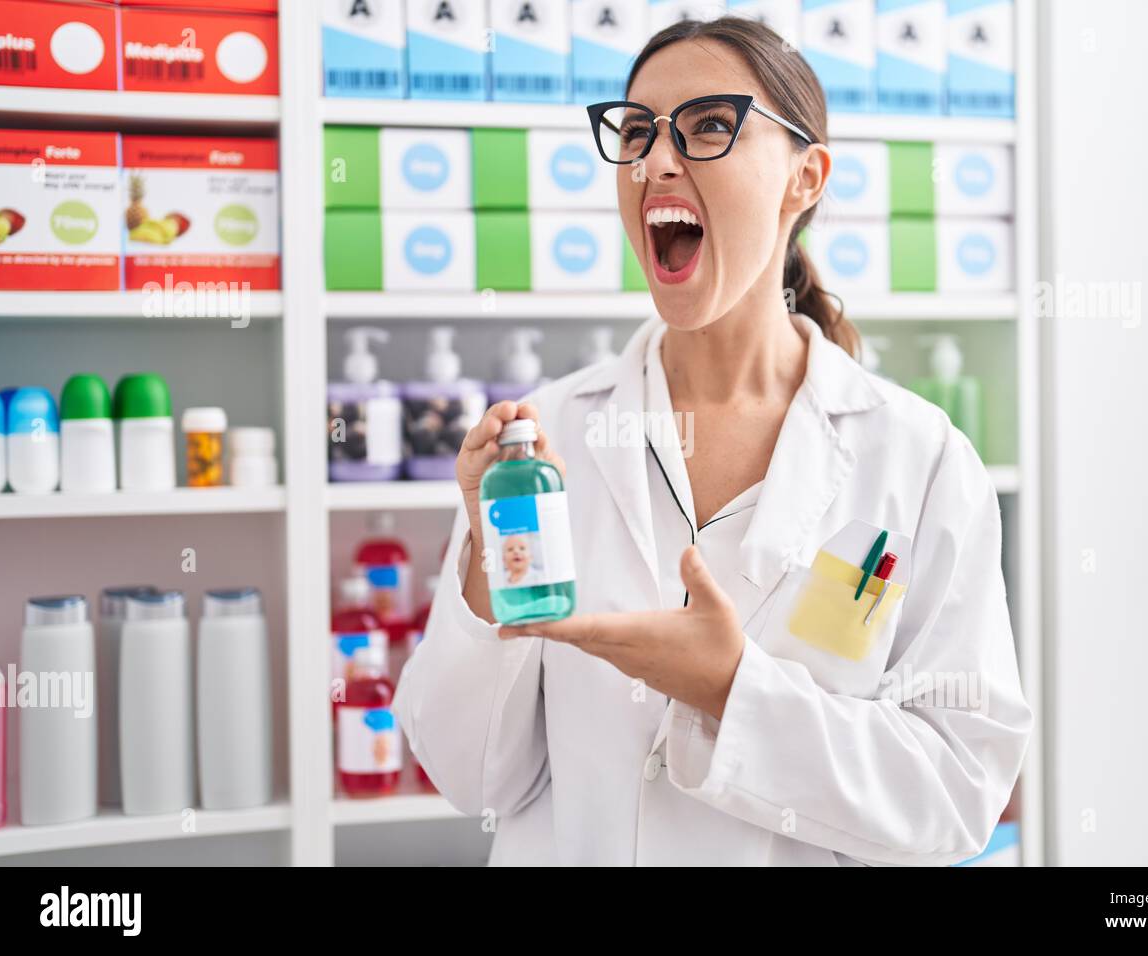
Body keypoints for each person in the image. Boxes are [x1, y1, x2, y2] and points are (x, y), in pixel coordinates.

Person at [393, 16, 1032, 866]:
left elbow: (955, 797)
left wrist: (733, 692)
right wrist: (484, 552)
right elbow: (468, 776)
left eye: (707, 126)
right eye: (636, 130)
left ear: (805, 177)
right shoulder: (545, 443)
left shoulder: (920, 461)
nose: (658, 159)